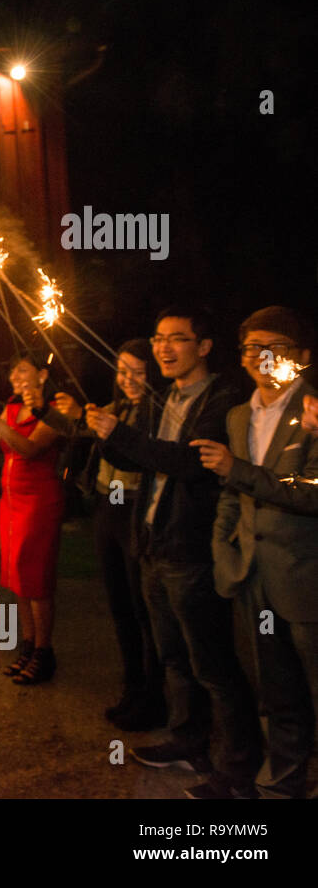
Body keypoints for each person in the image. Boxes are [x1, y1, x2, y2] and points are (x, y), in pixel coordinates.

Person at [86, 304, 261, 798]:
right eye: (158, 338)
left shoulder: (222, 399)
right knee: (174, 657)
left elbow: (189, 463)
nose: (163, 347)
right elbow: (137, 458)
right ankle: (189, 739)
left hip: (191, 548)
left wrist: (121, 435)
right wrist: (106, 433)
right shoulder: (162, 397)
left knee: (213, 664)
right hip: (154, 542)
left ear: (203, 347)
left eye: (176, 338)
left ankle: (239, 767)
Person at [191, 306, 318, 798]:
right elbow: (231, 495)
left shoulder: (313, 409)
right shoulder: (239, 414)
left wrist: (236, 470)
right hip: (253, 579)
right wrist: (223, 552)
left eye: (275, 348)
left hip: (305, 579)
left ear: (301, 357)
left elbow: (311, 491)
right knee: (274, 692)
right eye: (251, 348)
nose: (261, 357)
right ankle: (281, 786)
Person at [54, 340, 166, 727]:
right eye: (122, 371)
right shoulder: (116, 408)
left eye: (138, 372)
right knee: (120, 606)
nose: (128, 379)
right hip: (108, 508)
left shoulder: (157, 413)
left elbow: (136, 456)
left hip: (134, 509)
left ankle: (154, 696)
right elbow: (84, 436)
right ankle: (132, 687)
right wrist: (75, 417)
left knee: (141, 608)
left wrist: (110, 432)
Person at [0, 353, 66, 685]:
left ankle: (44, 651)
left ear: (42, 375)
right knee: (18, 580)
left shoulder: (54, 411)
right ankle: (29, 644)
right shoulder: (12, 408)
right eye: (13, 374)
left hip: (39, 503)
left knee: (36, 580)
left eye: (23, 372)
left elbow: (28, 449)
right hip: (11, 503)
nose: (16, 379)